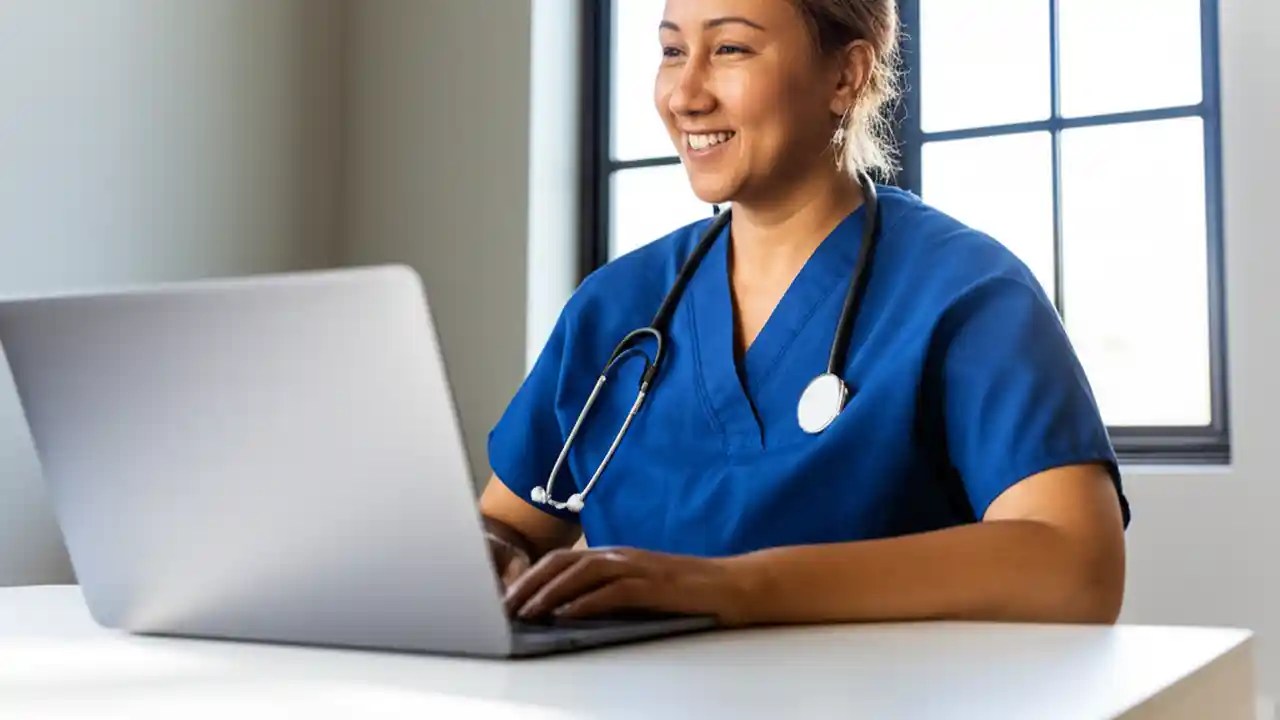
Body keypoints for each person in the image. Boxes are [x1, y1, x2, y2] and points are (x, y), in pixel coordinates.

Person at [481, 0, 1130, 627]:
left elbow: (1075, 566)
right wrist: (484, 556)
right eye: (673, 51)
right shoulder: (616, 306)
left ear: (847, 75)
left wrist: (725, 588)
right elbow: (507, 524)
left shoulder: (965, 293)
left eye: (730, 48)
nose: (685, 94)